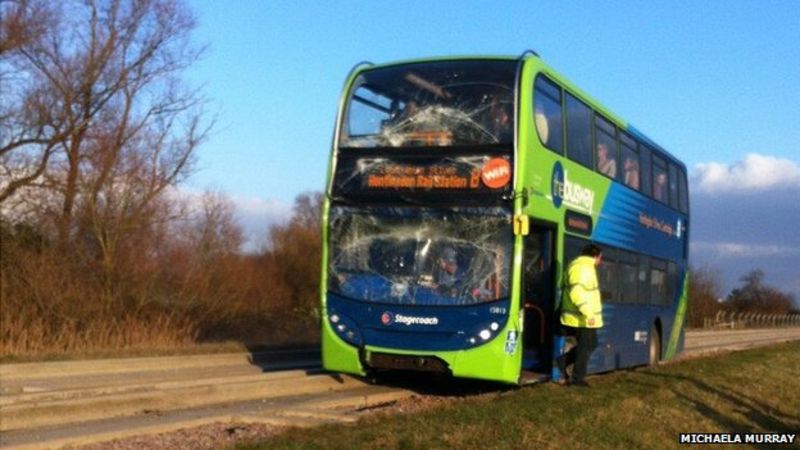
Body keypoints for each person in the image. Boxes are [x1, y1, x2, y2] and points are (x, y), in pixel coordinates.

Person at [557, 244, 604, 387]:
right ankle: (576, 378)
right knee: (587, 345)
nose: (601, 261)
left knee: (590, 344)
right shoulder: (582, 269)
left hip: (581, 317)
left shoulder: (583, 267)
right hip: (580, 318)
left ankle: (562, 364)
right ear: (596, 256)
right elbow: (577, 293)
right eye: (600, 258)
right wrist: (588, 313)